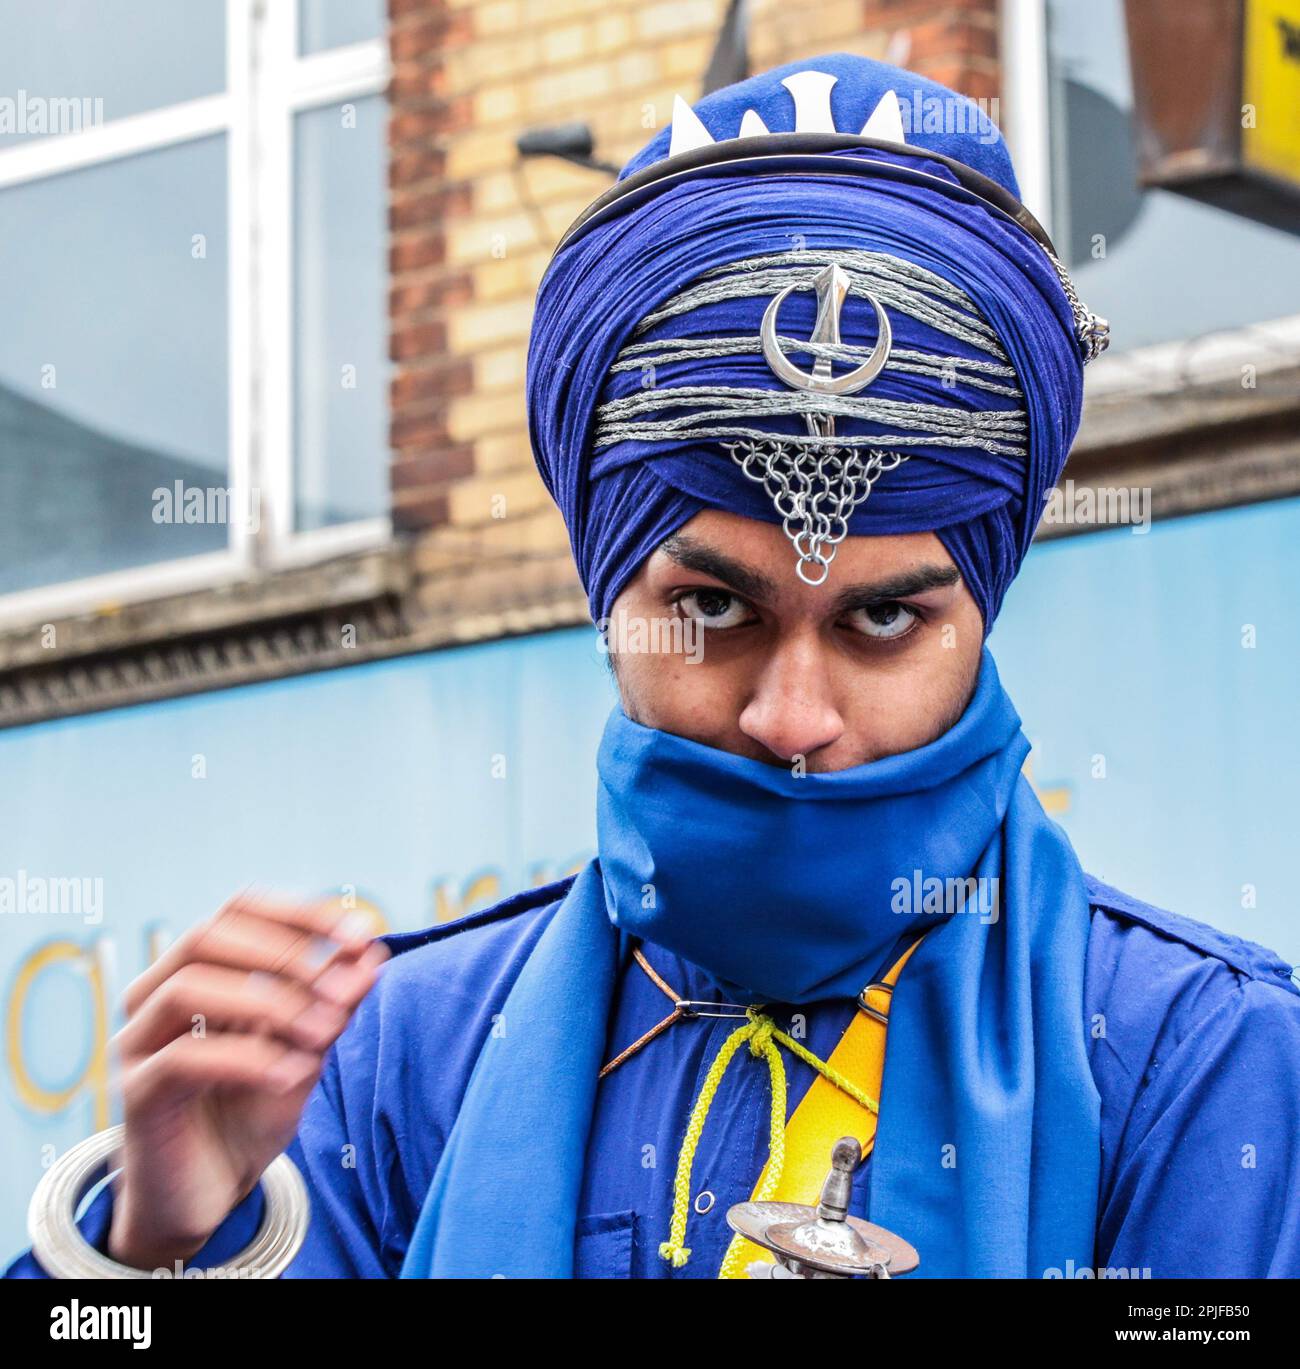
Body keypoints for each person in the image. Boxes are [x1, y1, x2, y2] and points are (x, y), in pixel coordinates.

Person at [9, 52, 1300, 1281]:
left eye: (883, 623)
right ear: (603, 590)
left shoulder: (1197, 1064)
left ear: (984, 615)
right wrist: (161, 1242)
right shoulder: (383, 1064)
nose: (790, 716)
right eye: (712, 610)